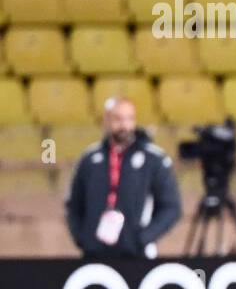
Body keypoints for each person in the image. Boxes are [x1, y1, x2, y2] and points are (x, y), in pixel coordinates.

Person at [65, 97, 181, 259]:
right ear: (106, 120)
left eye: (129, 118)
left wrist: (144, 237)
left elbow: (171, 207)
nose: (124, 125)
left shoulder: (153, 158)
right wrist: (83, 238)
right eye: (118, 119)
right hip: (95, 254)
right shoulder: (89, 159)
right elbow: (73, 205)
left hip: (137, 255)